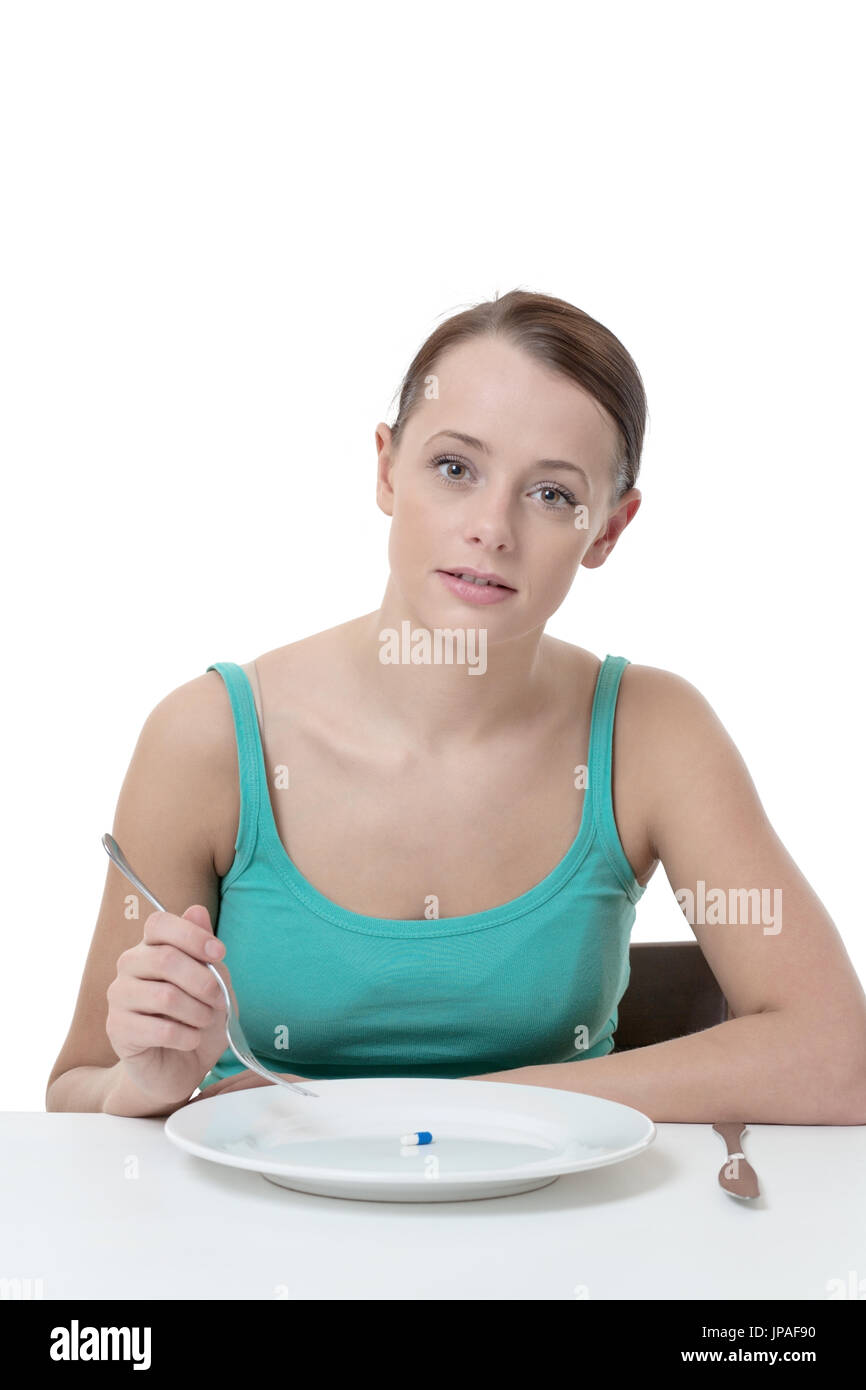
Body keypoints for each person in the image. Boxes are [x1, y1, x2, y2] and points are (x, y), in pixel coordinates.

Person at [45, 288, 866, 1123]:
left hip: (567, 1241)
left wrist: (424, 1115)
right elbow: (76, 1095)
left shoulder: (653, 734)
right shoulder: (208, 736)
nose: (491, 527)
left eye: (550, 494)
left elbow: (836, 1060)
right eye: (455, 469)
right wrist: (141, 1083)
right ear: (385, 470)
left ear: (608, 532)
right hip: (254, 1237)